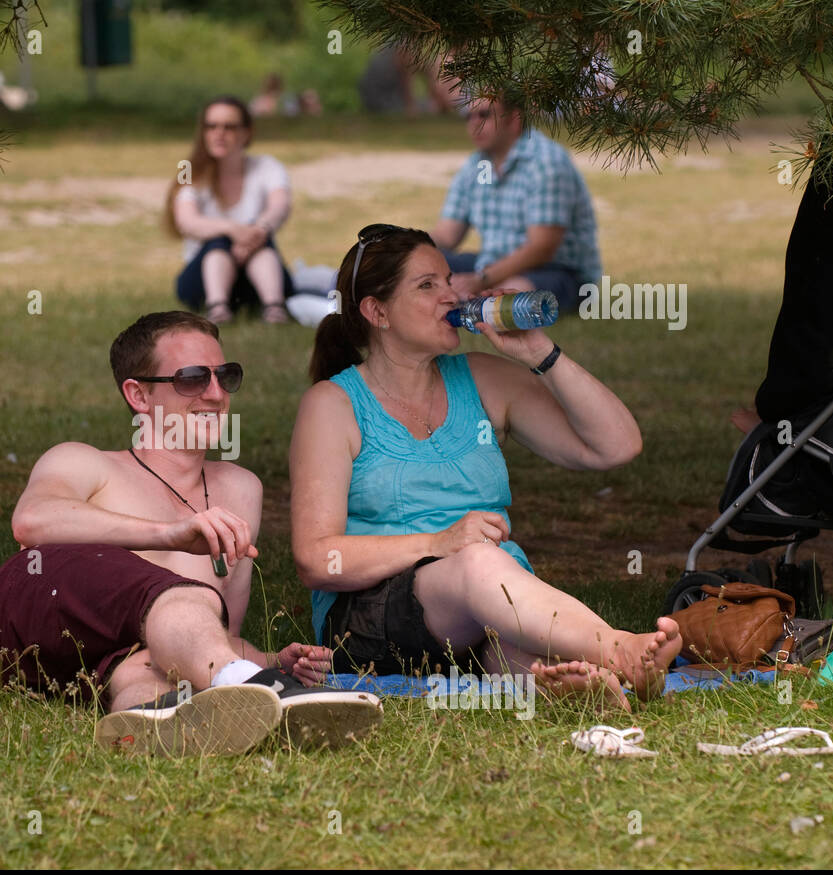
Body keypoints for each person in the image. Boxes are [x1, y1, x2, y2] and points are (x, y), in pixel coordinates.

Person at [289, 226, 682, 711]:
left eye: (449, 280)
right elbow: (315, 558)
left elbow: (614, 447)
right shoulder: (333, 404)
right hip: (370, 618)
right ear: (377, 311)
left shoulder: (482, 377)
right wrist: (438, 544)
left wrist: (541, 353)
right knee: (478, 563)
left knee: (515, 646)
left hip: (486, 604)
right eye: (427, 285)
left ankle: (577, 687)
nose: (452, 296)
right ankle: (621, 649)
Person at [0, 310, 381, 755]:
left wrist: (273, 659)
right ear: (138, 394)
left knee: (144, 668)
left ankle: (157, 721)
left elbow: (216, 637)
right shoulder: (84, 462)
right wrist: (170, 533)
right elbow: (32, 522)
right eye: (192, 379)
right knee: (174, 595)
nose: (215, 394)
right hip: (42, 611)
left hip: (101, 668)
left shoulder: (239, 489)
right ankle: (266, 689)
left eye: (225, 376)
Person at [431, 96, 601, 312]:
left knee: (509, 296)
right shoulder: (477, 164)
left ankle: (472, 301)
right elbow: (447, 235)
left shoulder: (546, 162)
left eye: (484, 115)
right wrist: (401, 243)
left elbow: (541, 249)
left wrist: (480, 279)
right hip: (491, 265)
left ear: (514, 119)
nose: (474, 123)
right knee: (419, 270)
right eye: (468, 116)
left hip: (556, 271)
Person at [167, 96, 295, 326]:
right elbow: (186, 221)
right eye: (211, 126)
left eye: (229, 127)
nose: (219, 133)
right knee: (219, 239)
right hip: (201, 281)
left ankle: (274, 307)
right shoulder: (190, 172)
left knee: (261, 238)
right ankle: (218, 307)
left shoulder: (267, 166)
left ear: (246, 133)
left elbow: (280, 205)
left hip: (256, 276)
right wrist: (232, 229)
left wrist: (258, 230)